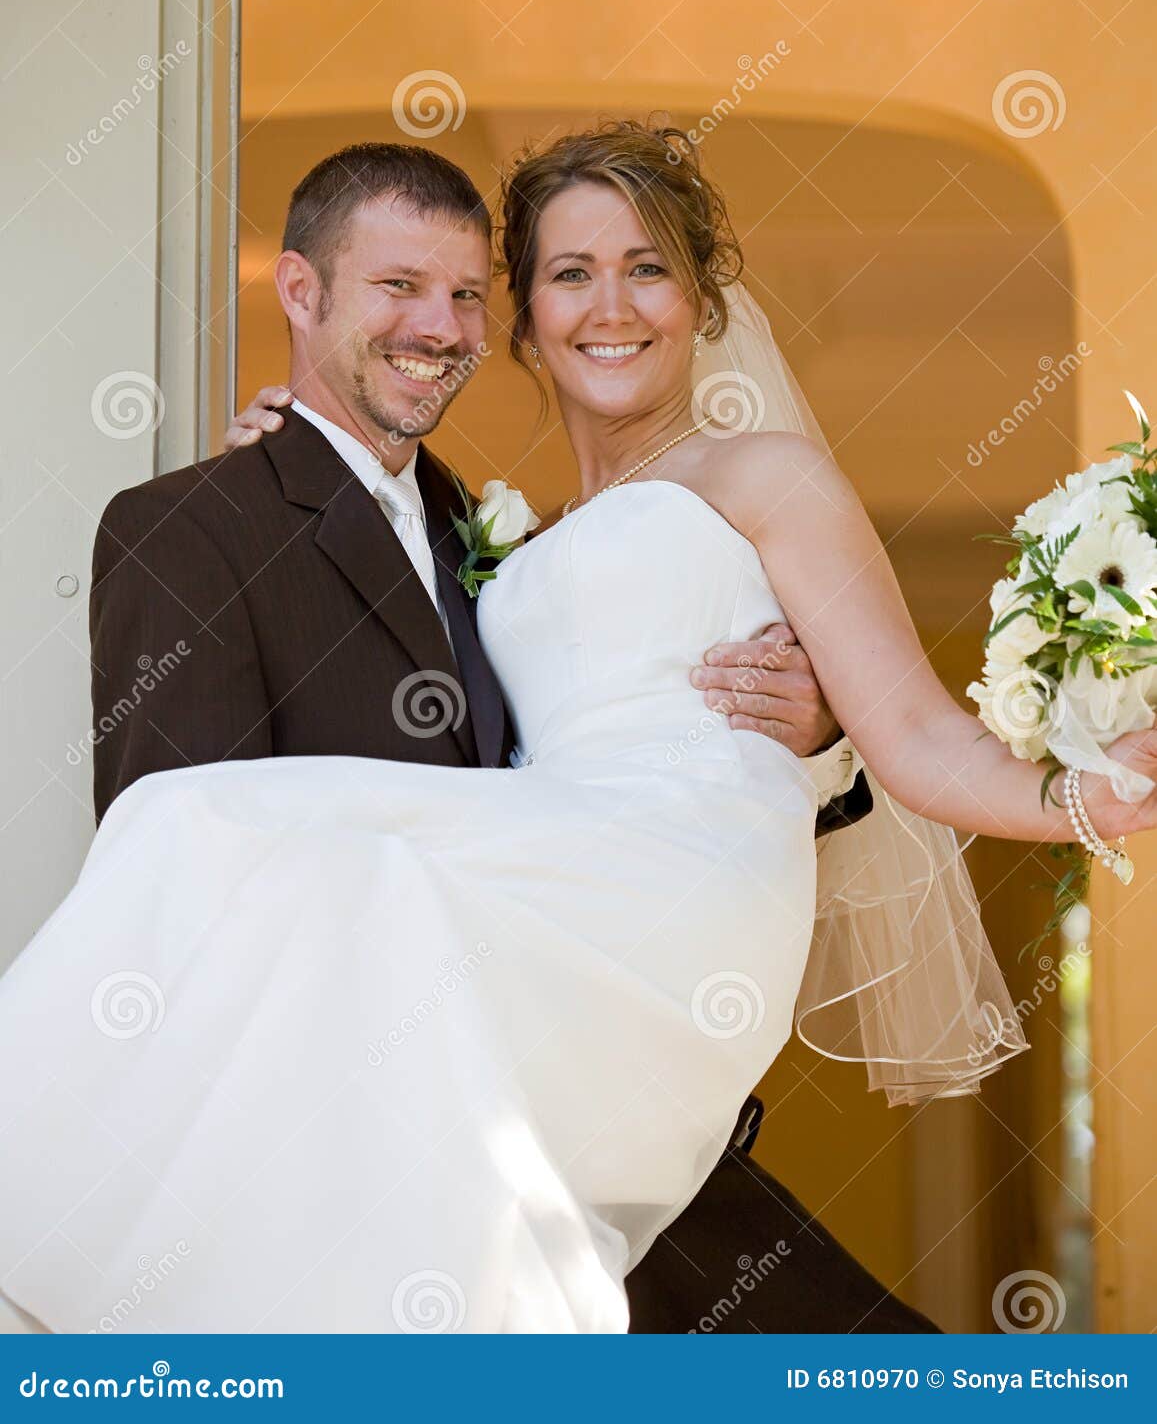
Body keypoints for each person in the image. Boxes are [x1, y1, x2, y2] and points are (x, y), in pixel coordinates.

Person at [2, 124, 1152, 1333]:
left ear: (700, 300)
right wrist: (282, 472)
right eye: (567, 273)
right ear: (533, 319)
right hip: (534, 908)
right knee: (206, 830)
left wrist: (1075, 794)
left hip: (668, 889)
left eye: (647, 267)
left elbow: (916, 734)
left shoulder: (765, 476)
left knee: (332, 869)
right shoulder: (495, 541)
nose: (612, 303)